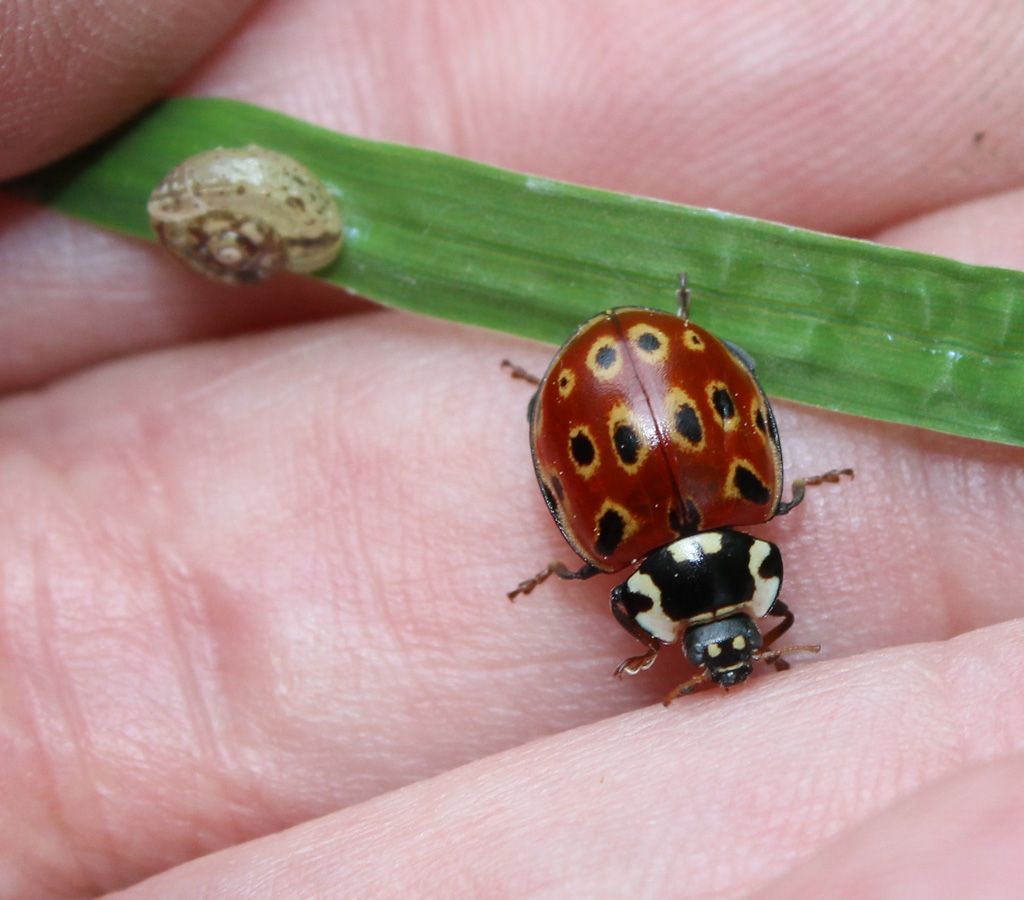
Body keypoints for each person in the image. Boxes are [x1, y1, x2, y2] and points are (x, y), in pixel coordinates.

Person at [2, 1, 1024, 897]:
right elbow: (599, 479)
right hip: (641, 366)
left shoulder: (730, 509)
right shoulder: (671, 530)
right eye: (736, 641)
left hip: (620, 374)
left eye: (716, 647)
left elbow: (590, 467)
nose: (729, 647)